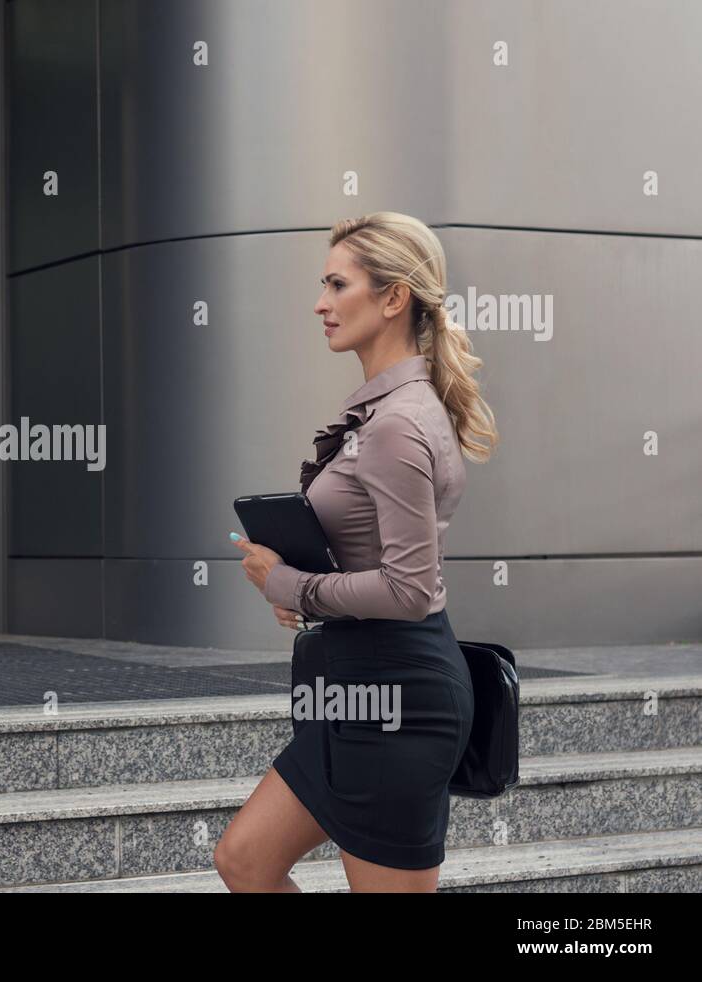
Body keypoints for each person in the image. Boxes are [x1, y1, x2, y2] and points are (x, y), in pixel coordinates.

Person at [215, 212, 499, 892]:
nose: (320, 302)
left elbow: (409, 588)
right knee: (245, 860)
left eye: (338, 284)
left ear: (394, 297)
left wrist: (291, 586)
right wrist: (307, 582)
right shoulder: (387, 409)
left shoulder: (398, 423)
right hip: (355, 690)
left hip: (399, 699)